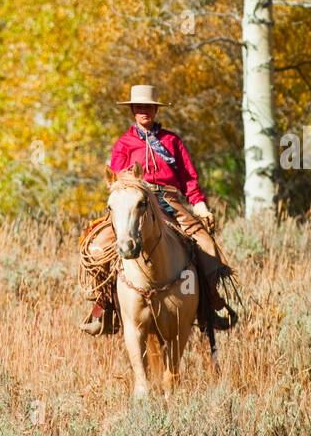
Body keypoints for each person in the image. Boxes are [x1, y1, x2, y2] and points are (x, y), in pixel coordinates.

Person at [80, 83, 239, 336]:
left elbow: (188, 177)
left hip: (169, 201)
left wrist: (199, 206)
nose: (145, 111)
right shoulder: (123, 144)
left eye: (149, 107)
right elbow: (116, 182)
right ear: (133, 109)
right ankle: (106, 309)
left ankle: (209, 306)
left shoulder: (172, 141)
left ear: (155, 110)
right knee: (99, 249)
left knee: (207, 247)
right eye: (140, 107)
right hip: (135, 204)